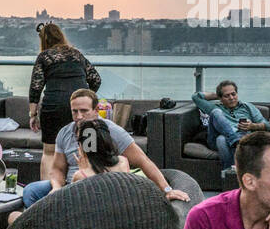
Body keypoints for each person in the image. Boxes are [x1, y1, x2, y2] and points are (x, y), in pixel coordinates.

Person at [10, 89, 190, 221]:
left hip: (98, 187)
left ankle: (42, 224)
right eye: (75, 111)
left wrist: (167, 190)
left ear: (96, 110)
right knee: (31, 190)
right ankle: (34, 228)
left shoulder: (111, 131)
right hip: (68, 185)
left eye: (84, 111)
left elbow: (143, 161)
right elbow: (57, 169)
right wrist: (56, 187)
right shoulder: (65, 133)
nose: (79, 116)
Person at [28, 23, 102, 181]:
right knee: (86, 149)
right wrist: (85, 98)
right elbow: (96, 79)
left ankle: (48, 194)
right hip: (79, 106)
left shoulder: (44, 57)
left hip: (53, 106)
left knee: (49, 152)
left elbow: (36, 88)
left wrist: (33, 114)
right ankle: (85, 187)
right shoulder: (77, 54)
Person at [190, 80, 268, 172]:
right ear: (220, 98)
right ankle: (235, 141)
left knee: (221, 139)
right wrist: (218, 95)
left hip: (240, 136)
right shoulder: (216, 107)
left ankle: (229, 174)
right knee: (216, 112)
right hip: (222, 139)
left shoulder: (247, 107)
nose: (231, 98)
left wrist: (252, 126)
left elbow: (267, 125)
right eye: (227, 96)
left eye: (233, 94)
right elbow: (196, 97)